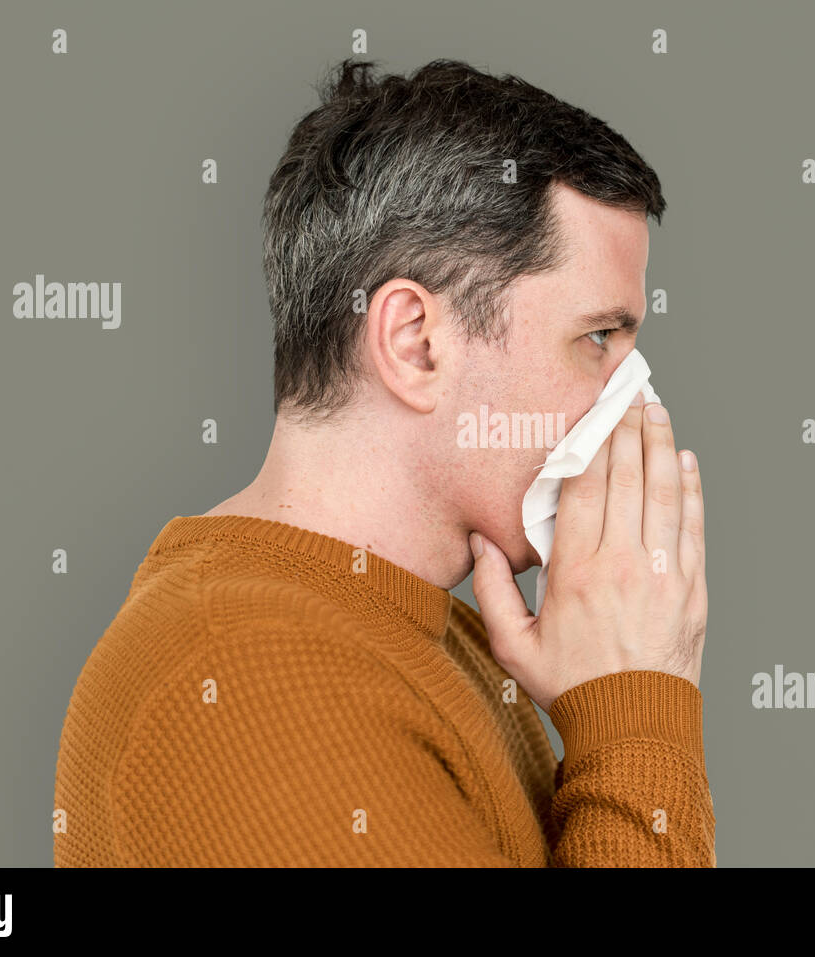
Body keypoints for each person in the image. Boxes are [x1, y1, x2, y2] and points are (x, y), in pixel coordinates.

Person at [53, 57, 712, 866]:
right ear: (415, 343)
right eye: (597, 339)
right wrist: (634, 717)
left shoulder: (441, 640)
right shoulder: (248, 677)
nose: (635, 401)